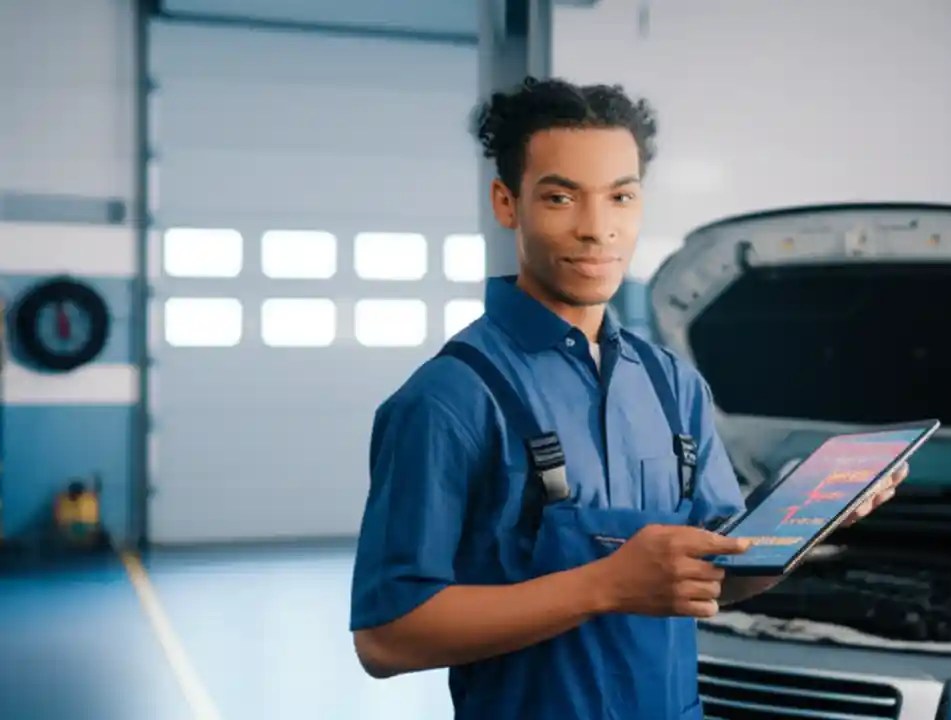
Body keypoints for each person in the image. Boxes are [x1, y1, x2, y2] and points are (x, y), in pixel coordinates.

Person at [348, 76, 907, 719]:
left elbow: (715, 582)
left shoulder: (673, 385)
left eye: (620, 198)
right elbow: (386, 637)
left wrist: (807, 521)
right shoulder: (448, 400)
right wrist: (605, 586)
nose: (597, 229)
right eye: (561, 197)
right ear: (508, 203)